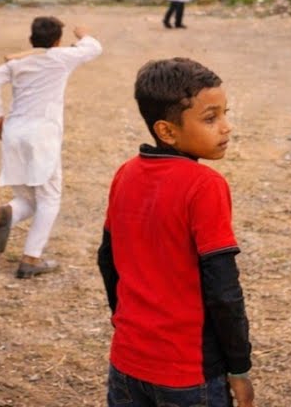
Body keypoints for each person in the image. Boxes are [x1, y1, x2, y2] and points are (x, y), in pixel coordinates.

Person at [98, 57, 254, 407]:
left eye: (225, 113)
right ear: (166, 130)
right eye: (211, 118)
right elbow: (223, 289)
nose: (226, 127)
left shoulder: (126, 173)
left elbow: (107, 261)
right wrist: (239, 368)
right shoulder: (204, 185)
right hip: (188, 376)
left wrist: (126, 324)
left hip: (126, 363)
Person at [0, 17, 102, 278]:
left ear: (31, 39)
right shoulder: (61, 59)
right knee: (49, 198)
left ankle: (8, 214)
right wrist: (82, 34)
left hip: (13, 133)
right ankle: (31, 259)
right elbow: (94, 48)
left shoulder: (18, 62)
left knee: (28, 198)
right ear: (57, 41)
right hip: (41, 136)